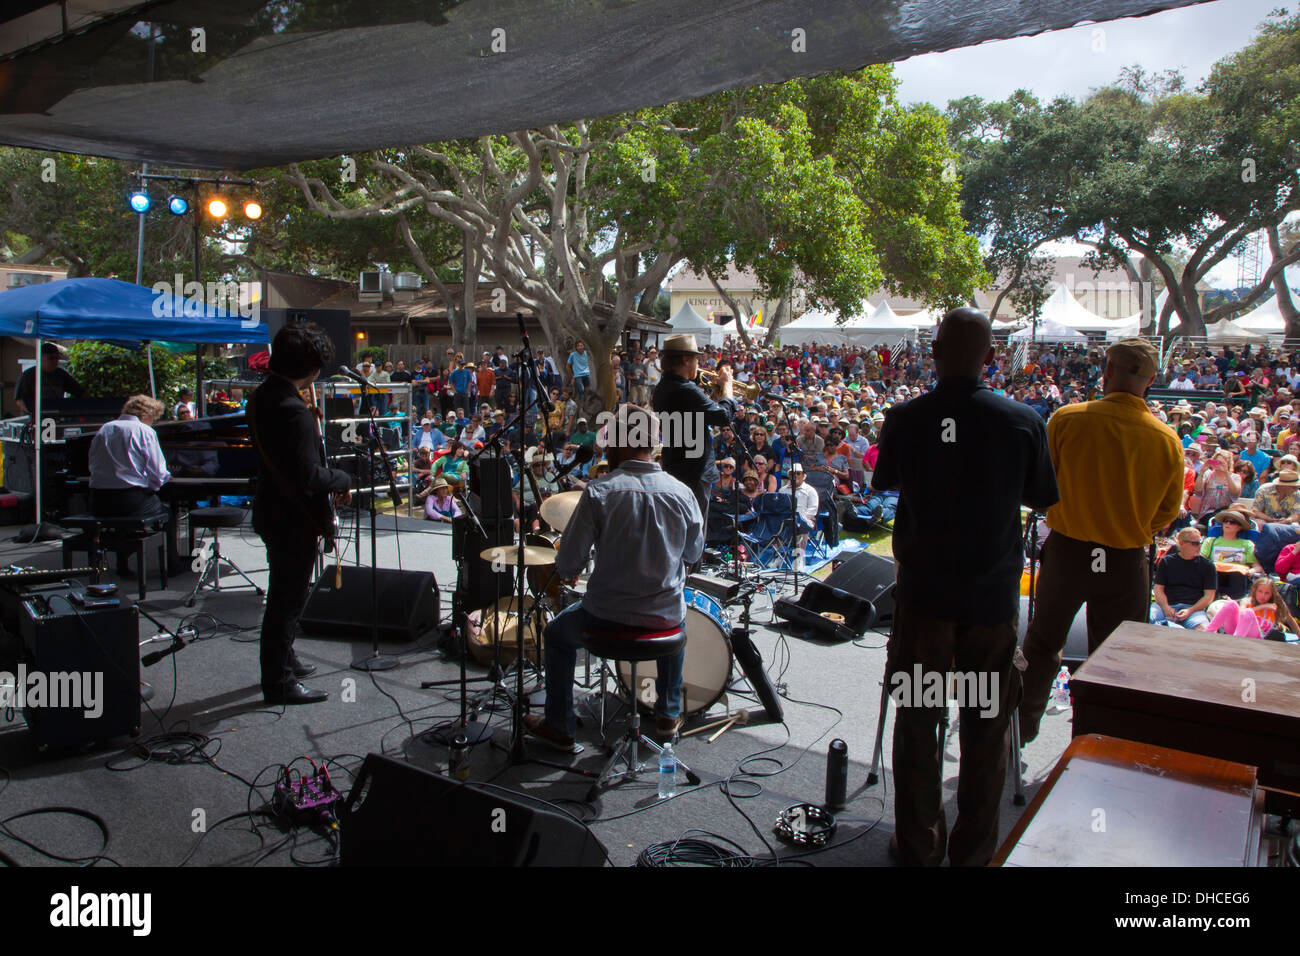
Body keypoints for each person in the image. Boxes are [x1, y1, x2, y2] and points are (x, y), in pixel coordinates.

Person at [871, 307, 1059, 867]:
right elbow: (1042, 499)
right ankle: (974, 854)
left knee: (919, 722)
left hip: (926, 601)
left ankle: (917, 848)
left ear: (932, 352)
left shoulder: (906, 417)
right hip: (989, 603)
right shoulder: (1023, 419)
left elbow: (886, 481)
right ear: (992, 358)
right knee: (985, 727)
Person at [1019, 338, 1183, 744]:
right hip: (1125, 561)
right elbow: (1167, 512)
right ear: (1150, 380)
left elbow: (1042, 485)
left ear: (1106, 372)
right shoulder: (1166, 440)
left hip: (1069, 552)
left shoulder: (1068, 419)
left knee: (1042, 647)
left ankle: (1018, 734)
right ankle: (1096, 745)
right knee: (1114, 661)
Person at [524, 404, 704, 748]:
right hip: (662, 620)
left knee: (557, 634)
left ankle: (560, 727)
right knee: (675, 614)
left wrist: (569, 566)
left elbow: (568, 566)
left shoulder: (599, 492)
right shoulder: (683, 494)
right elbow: (693, 555)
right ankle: (667, 714)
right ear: (653, 445)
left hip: (604, 617)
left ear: (620, 443)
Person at [247, 322, 352, 706]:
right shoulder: (294, 411)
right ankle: (278, 682)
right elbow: (309, 475)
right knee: (285, 600)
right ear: (313, 369)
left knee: (285, 594)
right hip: (293, 518)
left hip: (271, 510)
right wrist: (342, 477)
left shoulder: (262, 397)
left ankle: (285, 657)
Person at [652, 333, 737, 538]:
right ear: (685, 359)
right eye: (697, 359)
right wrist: (727, 387)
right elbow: (723, 417)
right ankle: (691, 570)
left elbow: (702, 413)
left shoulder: (664, 387)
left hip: (677, 464)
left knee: (681, 530)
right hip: (695, 470)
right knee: (695, 531)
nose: (699, 364)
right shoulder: (685, 389)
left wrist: (716, 393)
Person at [89, 395, 173, 573]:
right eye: (154, 419)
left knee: (125, 517)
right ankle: (172, 566)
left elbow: (92, 463)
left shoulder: (104, 429)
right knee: (168, 512)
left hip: (99, 501)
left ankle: (123, 563)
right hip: (129, 501)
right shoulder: (144, 430)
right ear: (148, 415)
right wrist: (154, 486)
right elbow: (158, 473)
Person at [1150, 527, 1217, 629]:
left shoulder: (1208, 566)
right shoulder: (1167, 562)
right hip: (1166, 606)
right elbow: (1158, 589)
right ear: (1181, 543)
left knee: (1204, 629)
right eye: (1194, 543)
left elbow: (1209, 596)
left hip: (1193, 609)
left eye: (1200, 543)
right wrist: (1165, 607)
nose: (1199, 546)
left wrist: (1191, 610)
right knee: (1147, 618)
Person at [1205, 575, 1299, 640]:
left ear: (1271, 594)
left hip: (1257, 636)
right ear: (1254, 591)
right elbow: (1242, 614)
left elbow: (1290, 620)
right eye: (1260, 592)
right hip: (1237, 632)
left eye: (1267, 593)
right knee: (1232, 604)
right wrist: (1263, 606)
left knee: (1249, 612)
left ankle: (1235, 642)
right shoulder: (1247, 601)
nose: (1263, 596)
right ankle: (1207, 633)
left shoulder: (1275, 606)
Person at [15, 342, 85, 414]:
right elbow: (20, 400)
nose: (55, 361)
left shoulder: (61, 374)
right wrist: (34, 414)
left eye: (57, 358)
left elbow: (81, 392)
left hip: (57, 416)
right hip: (36, 419)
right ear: (40, 358)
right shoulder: (28, 375)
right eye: (51, 358)